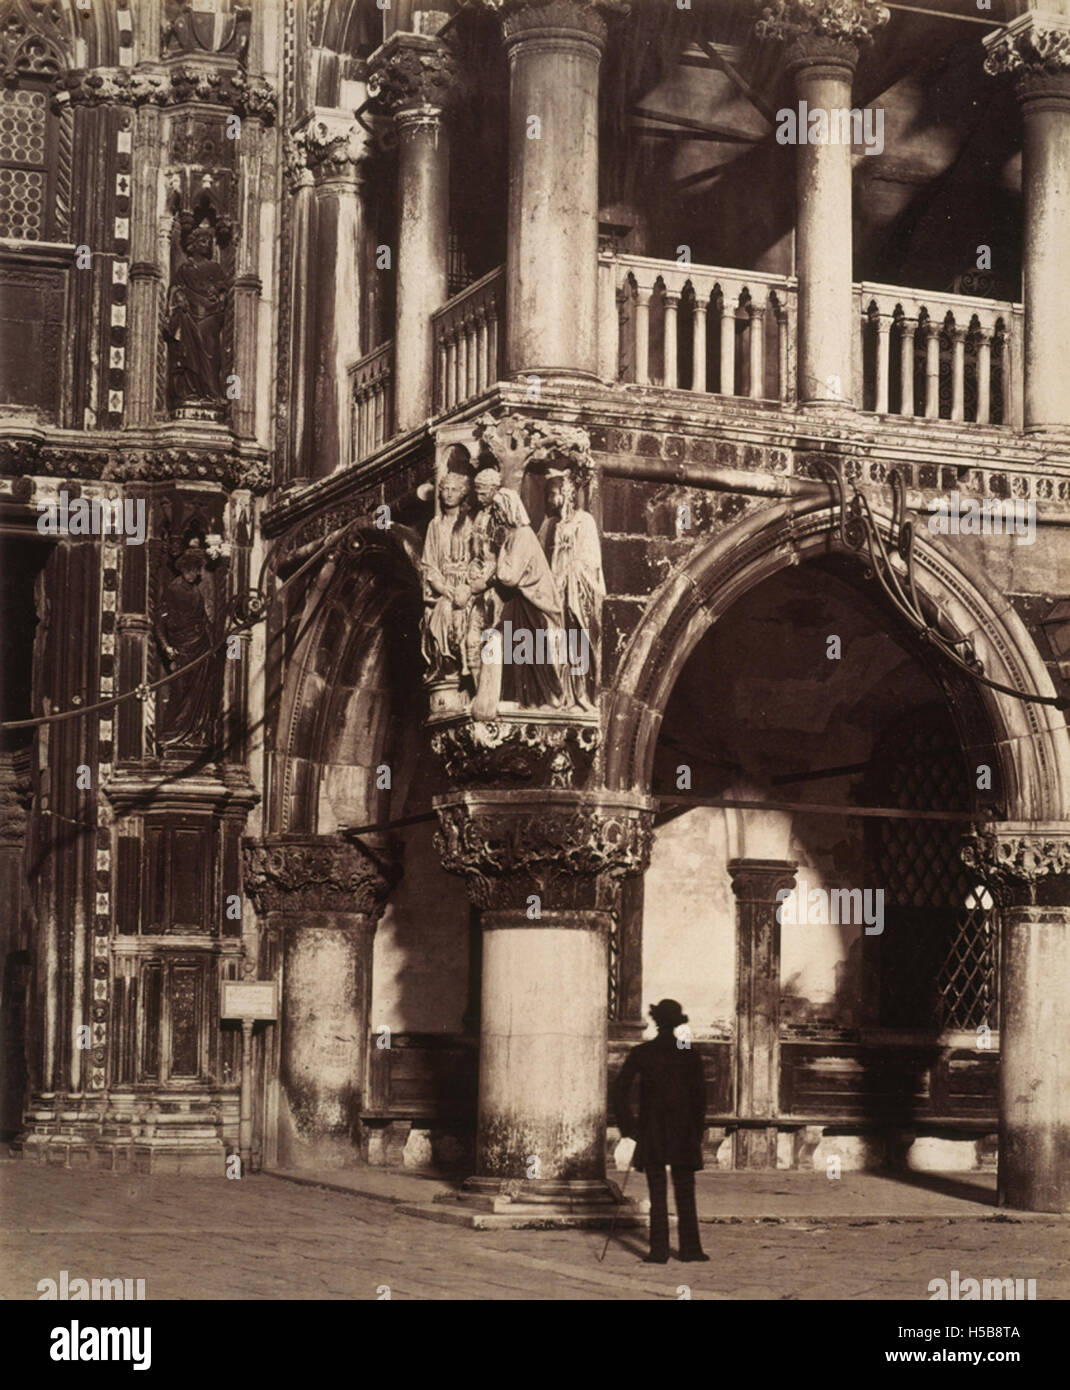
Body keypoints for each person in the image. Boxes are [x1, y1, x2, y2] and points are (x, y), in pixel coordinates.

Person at [613, 998, 709, 1264]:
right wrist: (697, 1132)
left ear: (656, 1022)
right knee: (685, 1192)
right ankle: (691, 1250)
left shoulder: (642, 1053)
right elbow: (700, 1100)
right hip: (683, 1134)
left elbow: (619, 1091)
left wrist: (630, 1129)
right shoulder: (690, 1054)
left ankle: (658, 1251)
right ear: (677, 1023)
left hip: (652, 1132)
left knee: (657, 1193)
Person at [538, 470, 605, 710]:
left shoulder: (583, 520)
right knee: (557, 641)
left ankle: (581, 694)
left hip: (576, 591)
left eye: (553, 495)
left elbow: (591, 558)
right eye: (549, 496)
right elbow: (553, 559)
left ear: (566, 494)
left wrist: (572, 573)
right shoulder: (555, 525)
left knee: (578, 640)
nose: (550, 501)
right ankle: (562, 694)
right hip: (559, 589)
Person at [420, 470, 473, 681]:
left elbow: (478, 558)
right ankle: (445, 665)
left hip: (465, 586)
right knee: (437, 613)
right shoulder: (435, 525)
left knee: (451, 613)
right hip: (442, 586)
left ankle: (459, 669)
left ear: (463, 494)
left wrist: (465, 586)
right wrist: (442, 587)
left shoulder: (470, 523)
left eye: (454, 490)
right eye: (445, 490)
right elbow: (429, 563)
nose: (449, 494)